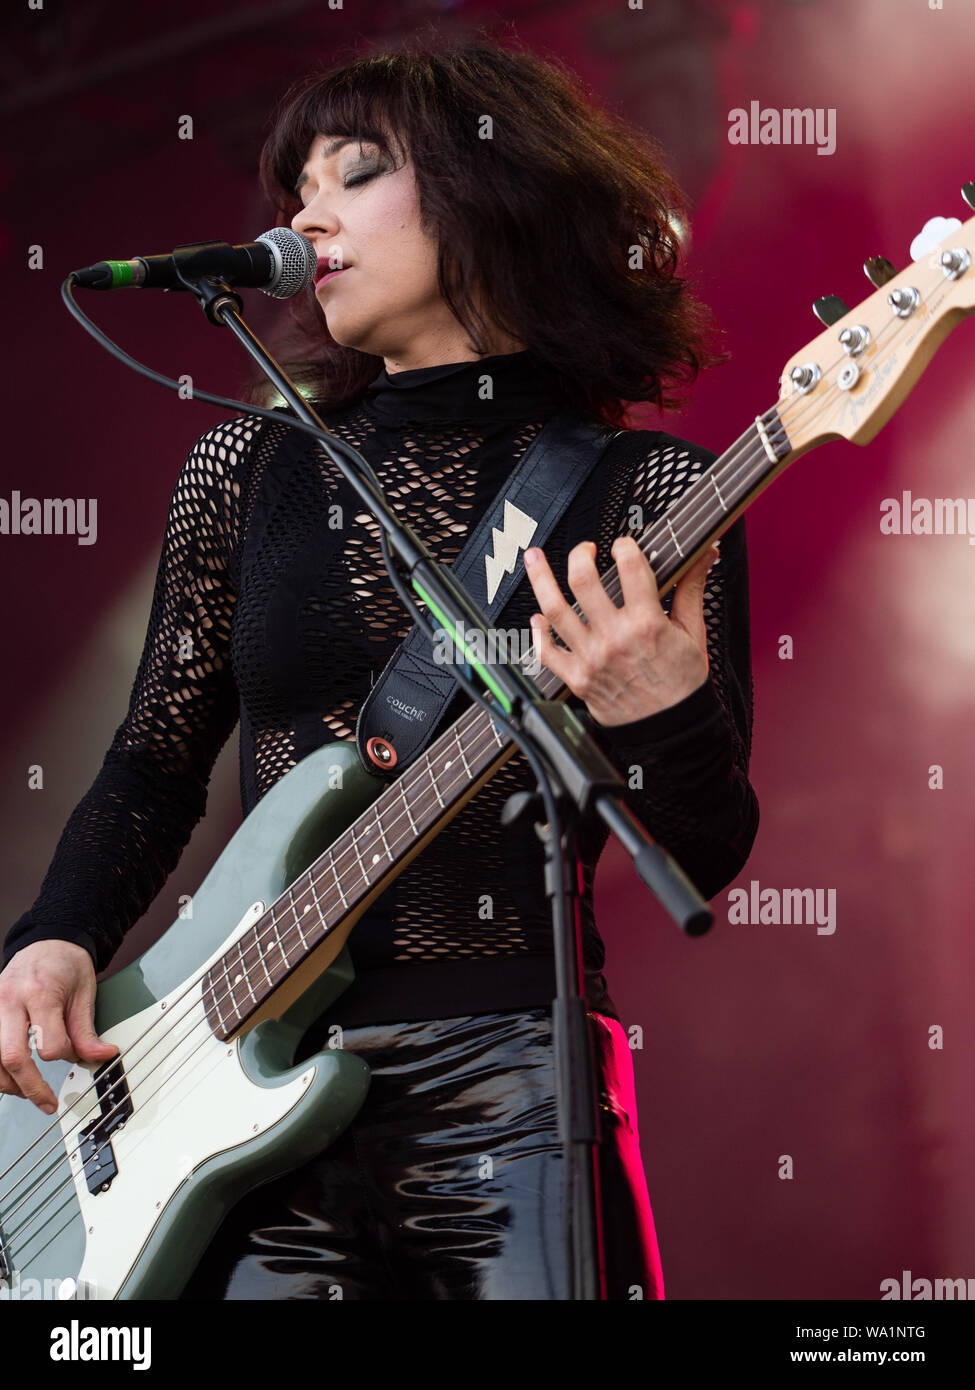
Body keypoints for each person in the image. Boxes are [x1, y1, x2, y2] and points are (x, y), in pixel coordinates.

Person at [0, 37, 759, 1300]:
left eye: (355, 173)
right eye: (296, 181)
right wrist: (55, 933)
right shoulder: (249, 471)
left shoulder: (646, 493)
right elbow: (151, 760)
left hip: (516, 1090)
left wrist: (661, 710)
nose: (305, 212)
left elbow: (707, 844)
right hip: (234, 1104)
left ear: (493, 189)